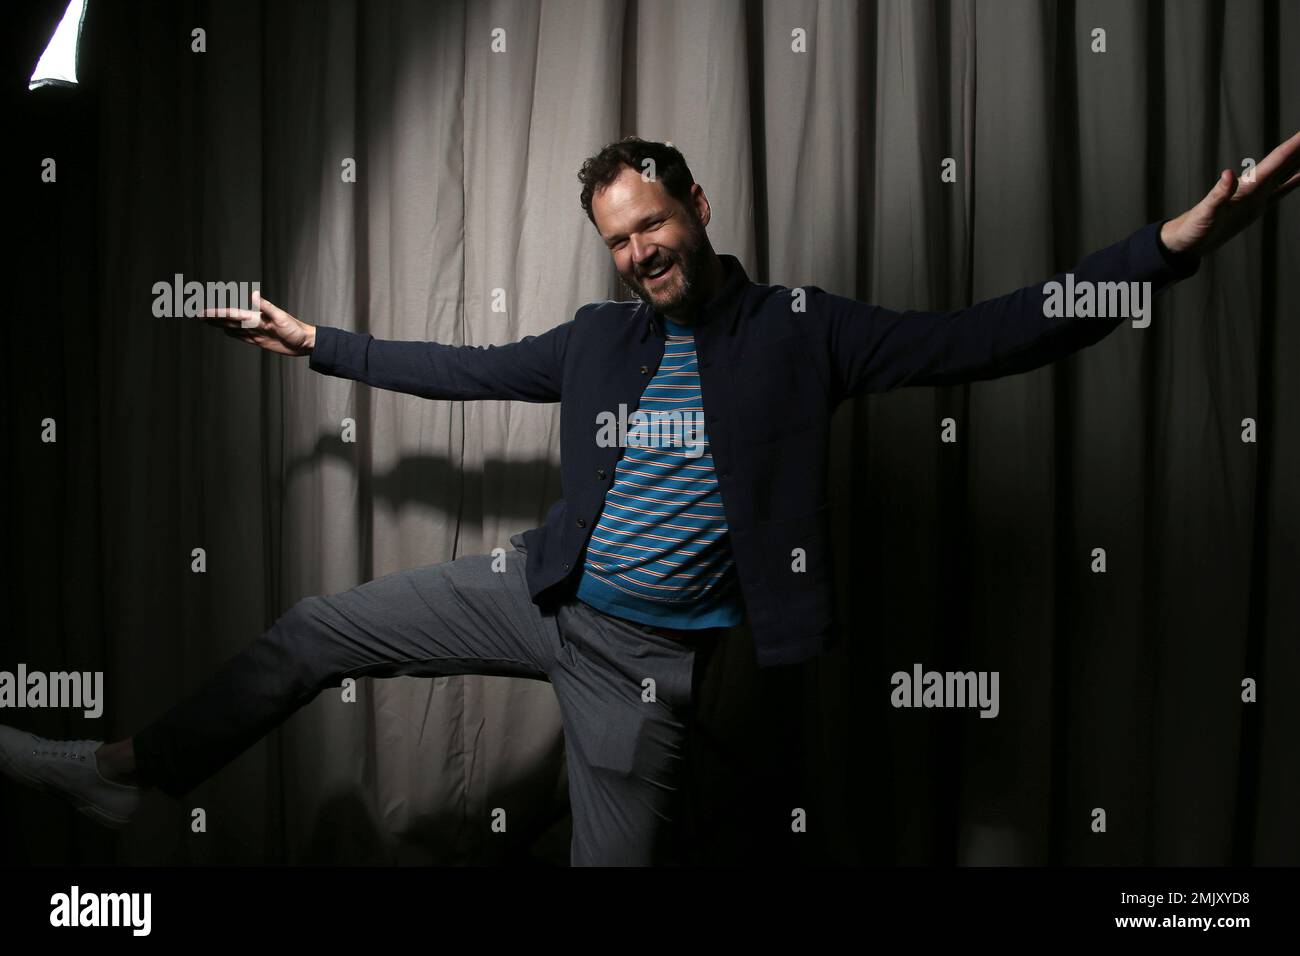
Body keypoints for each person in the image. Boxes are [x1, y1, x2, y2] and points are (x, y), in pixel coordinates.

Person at [3, 132, 1298, 865]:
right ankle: (126, 769)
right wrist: (316, 342)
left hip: (641, 667)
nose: (640, 254)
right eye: (620, 240)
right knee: (312, 631)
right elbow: (460, 372)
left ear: (697, 206)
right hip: (539, 593)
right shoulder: (597, 340)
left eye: (653, 227)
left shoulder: (803, 331)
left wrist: (1170, 251)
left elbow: (995, 334)